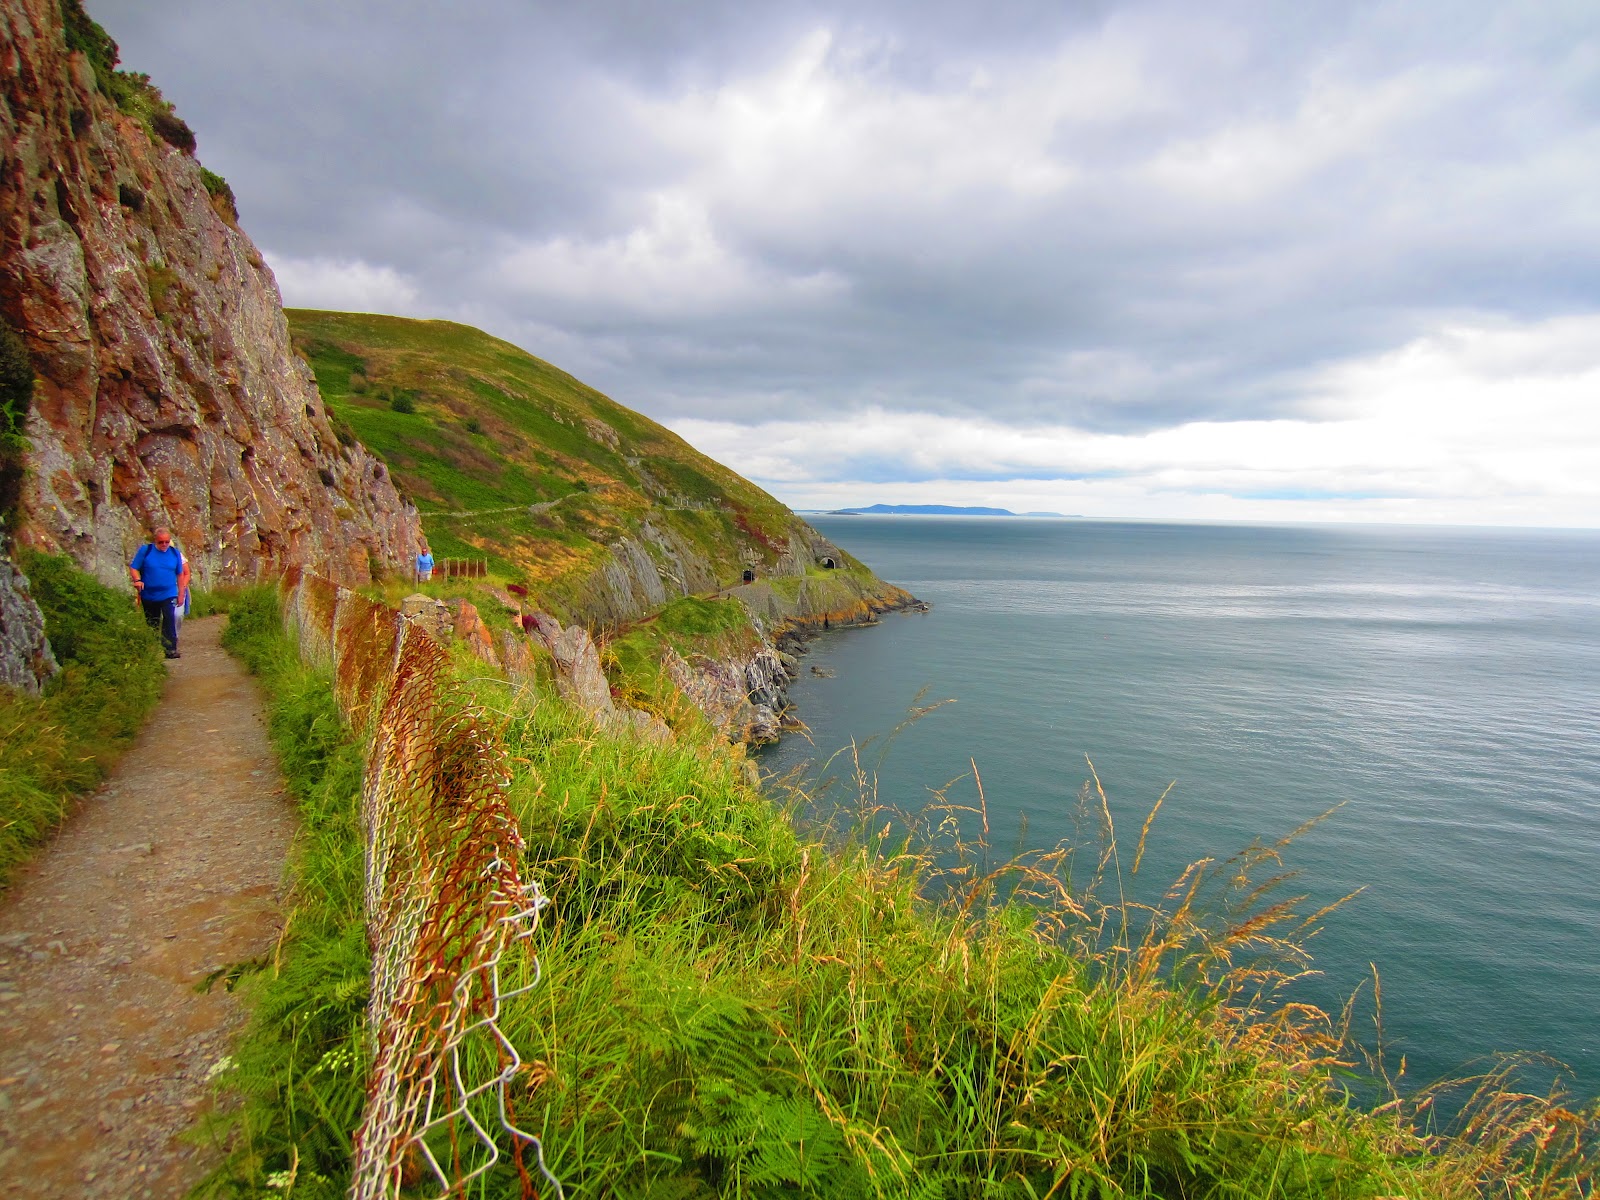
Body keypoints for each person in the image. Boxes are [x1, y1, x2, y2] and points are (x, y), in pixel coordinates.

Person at [130, 526, 190, 659]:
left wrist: (181, 594)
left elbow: (180, 575)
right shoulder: (146, 551)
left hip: (169, 593)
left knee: (169, 618)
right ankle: (153, 648)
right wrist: (137, 580)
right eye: (160, 542)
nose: (164, 545)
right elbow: (134, 568)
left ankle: (170, 649)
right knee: (152, 621)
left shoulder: (174, 553)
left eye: (166, 542)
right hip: (149, 594)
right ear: (155, 541)